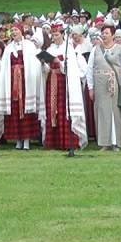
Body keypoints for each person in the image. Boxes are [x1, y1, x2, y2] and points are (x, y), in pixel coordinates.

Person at [40, 23, 87, 152]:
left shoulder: (68, 48)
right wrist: (44, 64)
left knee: (63, 110)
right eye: (53, 35)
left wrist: (58, 62)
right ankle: (52, 141)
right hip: (52, 81)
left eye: (57, 34)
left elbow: (71, 69)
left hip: (63, 82)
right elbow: (47, 70)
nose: (55, 37)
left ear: (62, 34)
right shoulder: (50, 49)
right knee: (52, 110)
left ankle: (66, 141)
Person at [86, 25, 121, 150]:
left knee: (116, 112)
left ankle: (116, 143)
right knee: (102, 112)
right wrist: (90, 87)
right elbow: (90, 69)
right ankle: (104, 143)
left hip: (115, 85)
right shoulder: (96, 49)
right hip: (100, 86)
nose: (104, 35)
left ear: (112, 34)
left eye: (106, 33)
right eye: (103, 33)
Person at [0, 26, 42, 151]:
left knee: (25, 110)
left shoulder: (29, 45)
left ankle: (27, 140)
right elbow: (5, 66)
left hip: (25, 81)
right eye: (12, 31)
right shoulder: (8, 48)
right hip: (13, 82)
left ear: (21, 31)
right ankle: (18, 139)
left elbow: (34, 62)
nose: (14, 33)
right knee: (15, 110)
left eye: (16, 30)